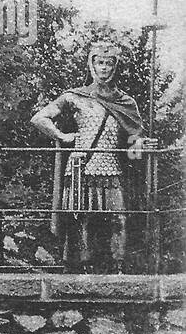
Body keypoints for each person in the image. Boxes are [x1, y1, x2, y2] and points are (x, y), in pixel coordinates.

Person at [31, 41, 152, 273]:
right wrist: (62, 136)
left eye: (109, 63)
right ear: (92, 65)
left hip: (110, 166)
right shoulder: (75, 96)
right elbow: (40, 118)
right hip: (80, 166)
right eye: (99, 63)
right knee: (82, 220)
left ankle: (118, 267)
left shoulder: (126, 103)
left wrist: (142, 144)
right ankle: (83, 268)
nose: (104, 68)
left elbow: (133, 143)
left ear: (115, 67)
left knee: (118, 218)